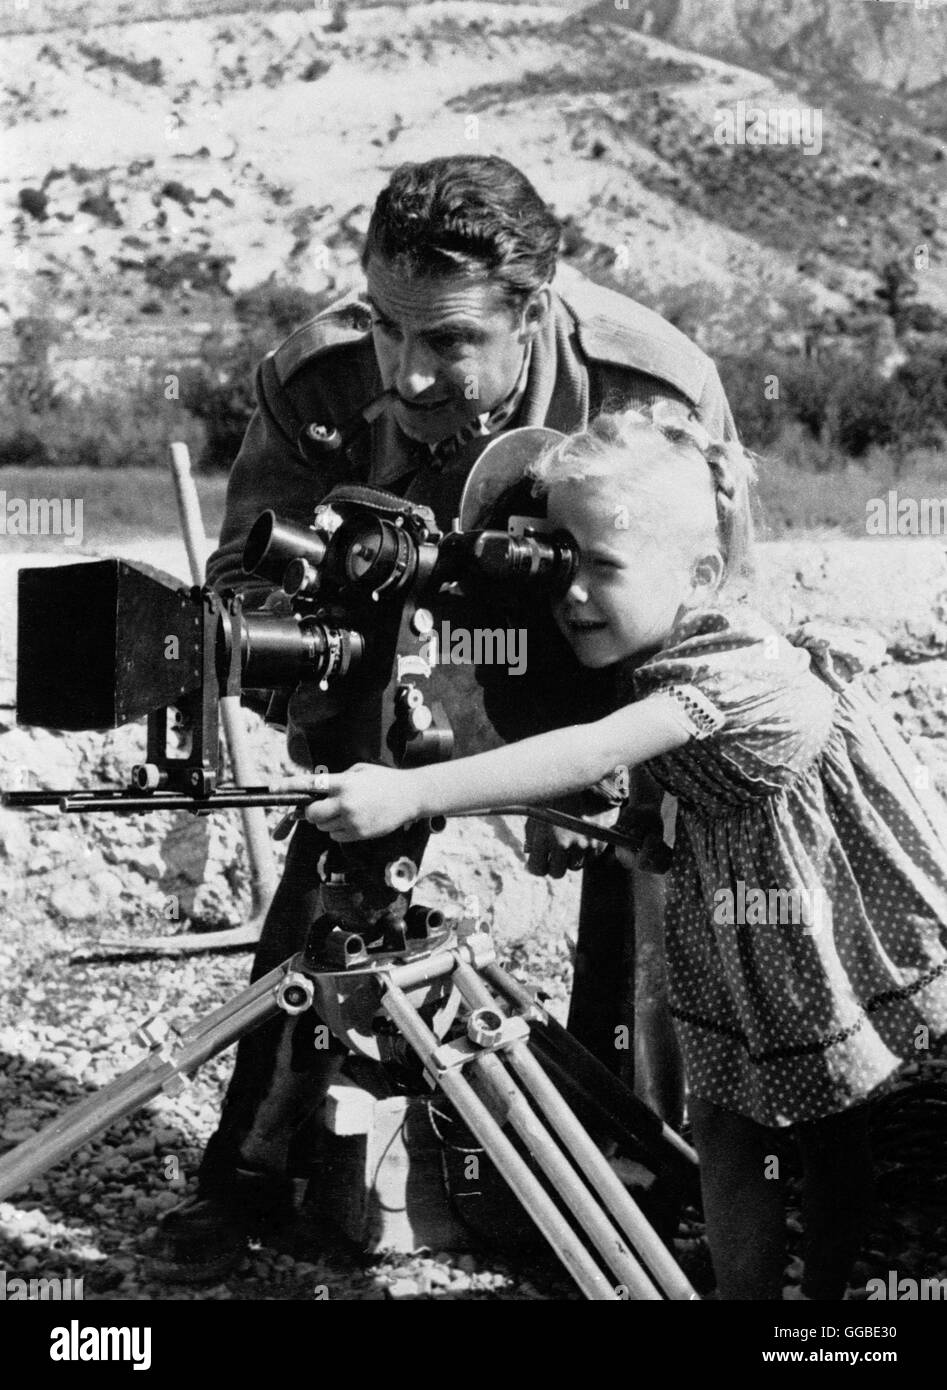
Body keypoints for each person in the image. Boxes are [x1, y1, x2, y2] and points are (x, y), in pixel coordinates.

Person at [154, 153, 740, 1276]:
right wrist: (333, 689)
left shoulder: (646, 390)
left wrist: (586, 770)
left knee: (654, 843)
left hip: (598, 643)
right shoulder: (316, 376)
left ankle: (635, 1178)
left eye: (451, 343)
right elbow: (238, 585)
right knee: (341, 835)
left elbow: (710, 626)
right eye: (387, 328)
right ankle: (257, 1164)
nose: (409, 373)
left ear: (532, 315)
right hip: (390, 635)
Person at [302, 407, 947, 1300]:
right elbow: (656, 760)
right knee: (728, 1130)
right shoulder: (674, 644)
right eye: (560, 562)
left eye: (601, 567)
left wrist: (409, 791)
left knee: (828, 1127)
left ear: (700, 574)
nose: (569, 593)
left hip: (808, 922)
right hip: (741, 924)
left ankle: (827, 1310)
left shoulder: (733, 666)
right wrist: (639, 816)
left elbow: (602, 745)